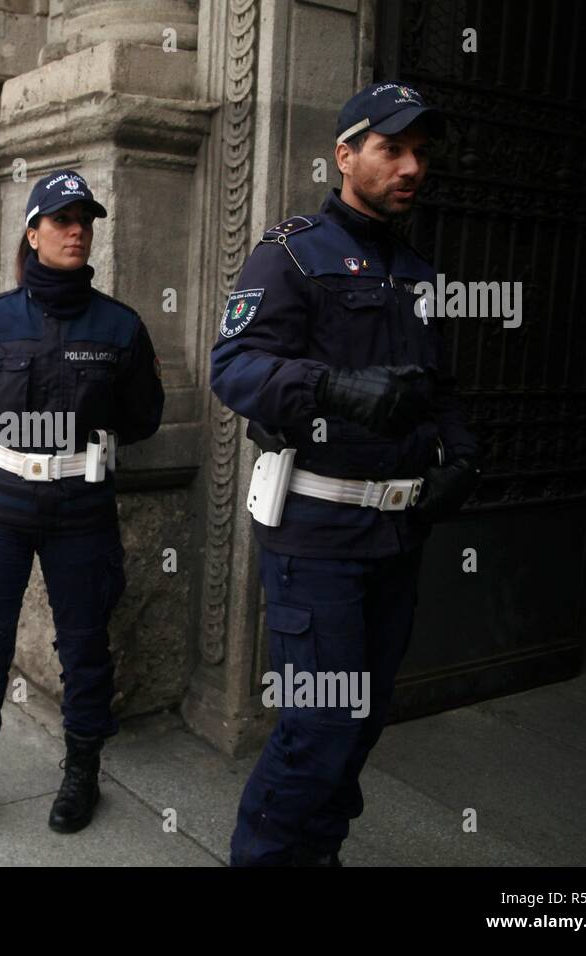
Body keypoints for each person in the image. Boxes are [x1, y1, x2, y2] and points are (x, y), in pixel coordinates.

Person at [210, 82, 480, 866]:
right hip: (317, 534)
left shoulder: (422, 275)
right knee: (318, 725)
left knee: (361, 722)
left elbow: (442, 390)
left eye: (421, 154)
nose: (410, 168)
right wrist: (329, 387)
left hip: (396, 533)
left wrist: (462, 457)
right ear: (345, 154)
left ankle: (316, 855)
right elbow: (234, 368)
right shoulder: (291, 252)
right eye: (392, 149)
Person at [0, 170, 165, 841]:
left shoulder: (120, 327)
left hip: (80, 505)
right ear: (32, 233)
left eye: (85, 220)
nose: (76, 230)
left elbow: (143, 415)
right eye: (61, 220)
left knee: (86, 647)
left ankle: (81, 773)